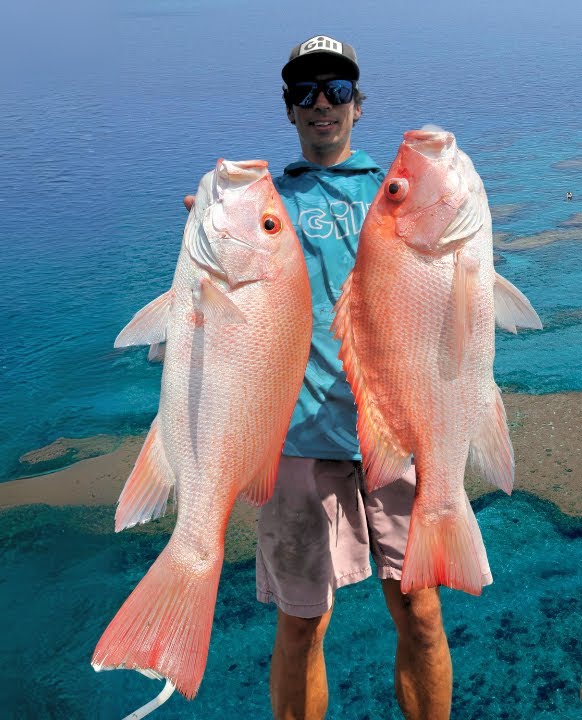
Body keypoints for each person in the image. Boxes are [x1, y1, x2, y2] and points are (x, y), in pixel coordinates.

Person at [185, 35, 476, 719]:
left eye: (337, 90)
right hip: (296, 437)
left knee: (422, 615)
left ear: (358, 105)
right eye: (305, 91)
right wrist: (202, 248)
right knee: (301, 624)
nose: (322, 104)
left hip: (399, 431)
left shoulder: (399, 193)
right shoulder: (264, 204)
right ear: (288, 108)